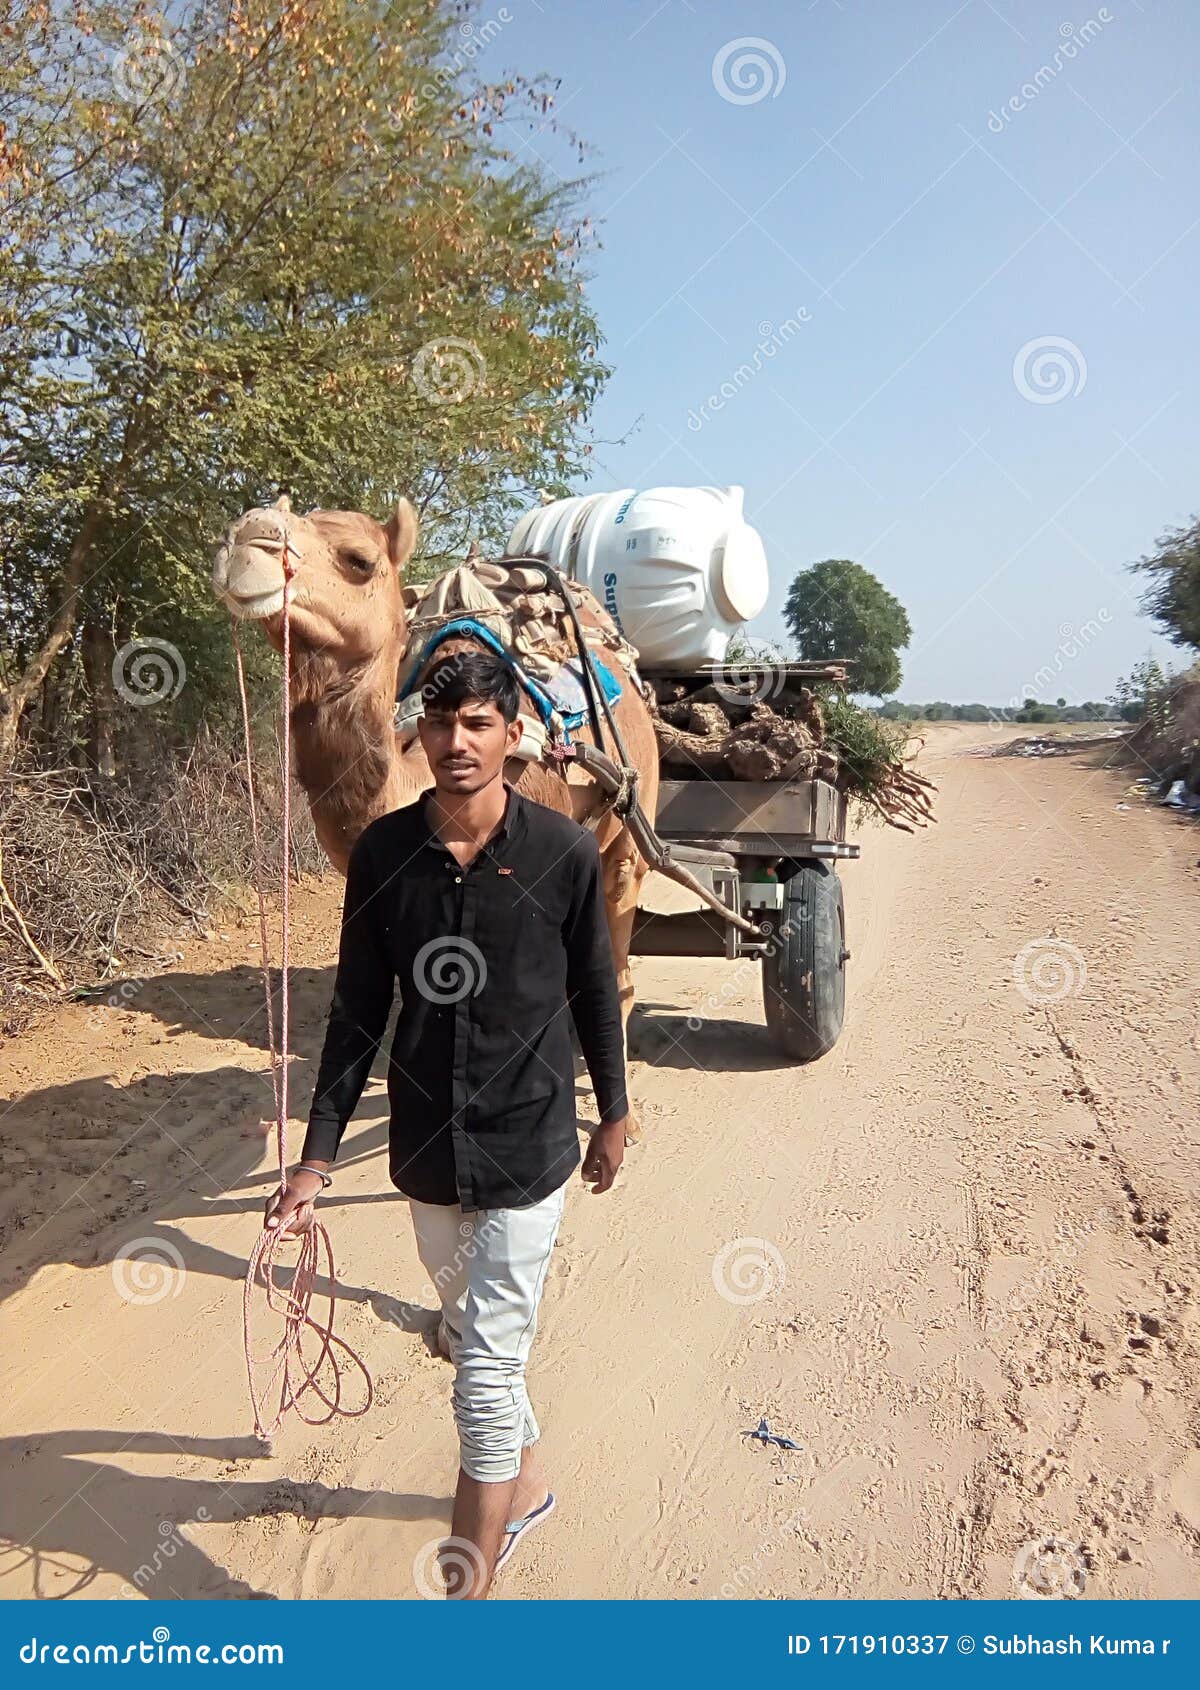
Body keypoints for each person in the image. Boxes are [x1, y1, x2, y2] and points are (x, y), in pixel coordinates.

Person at [264, 648, 630, 1598]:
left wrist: (615, 1113)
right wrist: (314, 1160)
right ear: (418, 734)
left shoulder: (564, 853)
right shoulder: (384, 856)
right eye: (441, 722)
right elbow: (355, 1009)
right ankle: (531, 1485)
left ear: (514, 737)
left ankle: (463, 1599)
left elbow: (596, 988)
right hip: (428, 1150)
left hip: (529, 1146)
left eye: (479, 724)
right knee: (470, 1332)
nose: (458, 742)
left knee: (482, 1375)